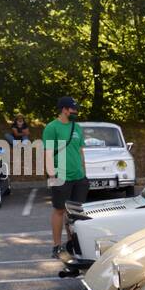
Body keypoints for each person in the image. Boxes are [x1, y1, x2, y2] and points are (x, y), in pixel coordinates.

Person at [43, 96, 88, 260]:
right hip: (60, 176)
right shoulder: (51, 128)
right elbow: (47, 152)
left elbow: (80, 151)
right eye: (73, 109)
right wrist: (52, 175)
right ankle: (56, 245)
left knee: (75, 213)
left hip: (79, 177)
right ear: (64, 109)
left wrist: (85, 172)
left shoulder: (77, 127)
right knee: (59, 210)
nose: (76, 111)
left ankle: (72, 243)